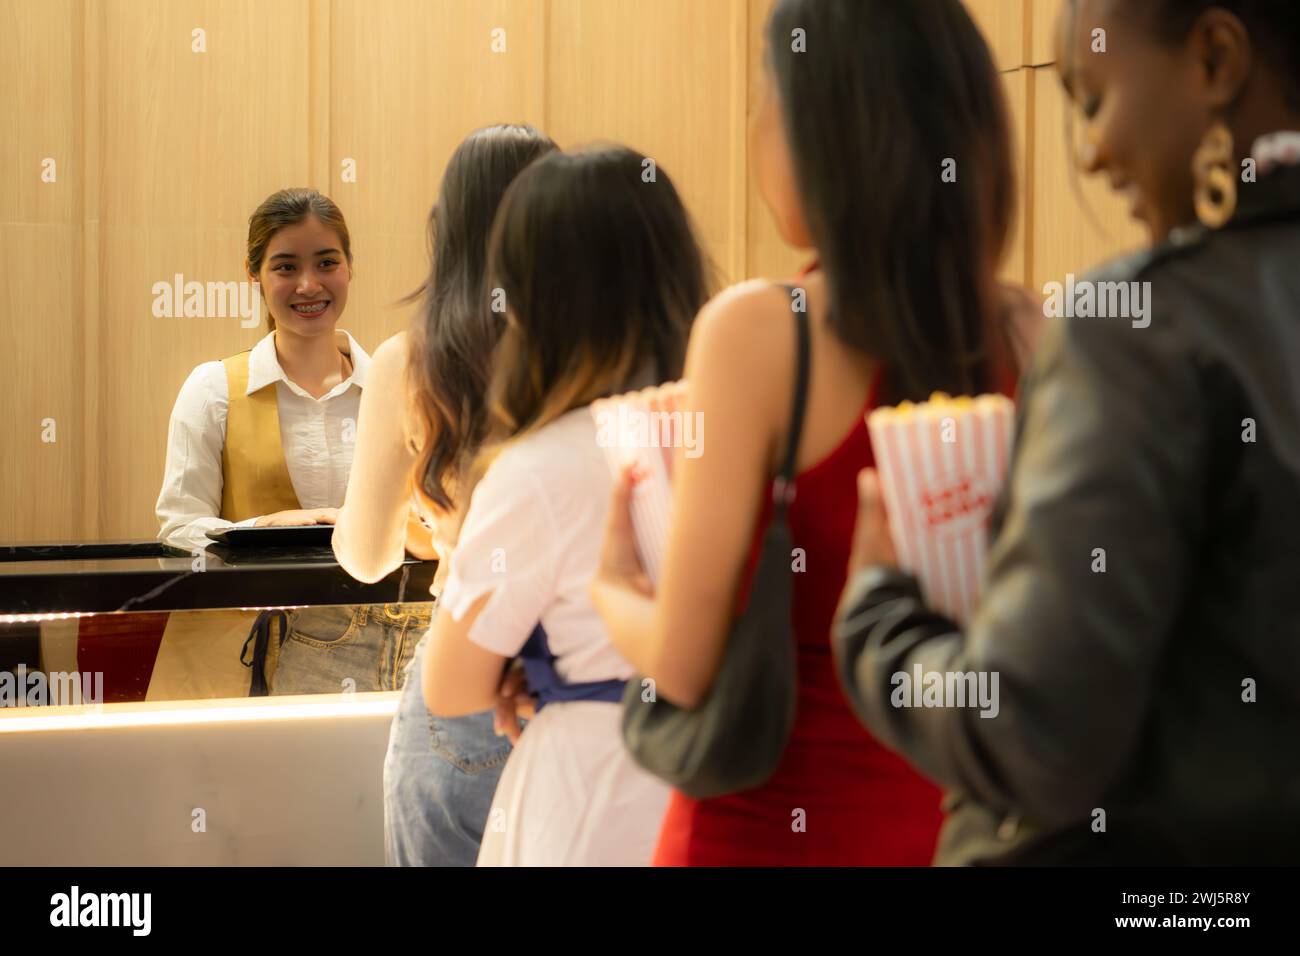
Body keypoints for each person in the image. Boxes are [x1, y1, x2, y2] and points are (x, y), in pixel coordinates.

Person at [834, 0, 1300, 864]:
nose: (1088, 152)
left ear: (1215, 60)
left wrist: (878, 616)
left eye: (1092, 100)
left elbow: (1030, 730)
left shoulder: (1138, 327)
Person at [589, 0, 1034, 866]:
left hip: (762, 836)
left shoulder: (761, 330)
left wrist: (611, 585)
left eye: (768, 101)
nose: (758, 130)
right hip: (949, 835)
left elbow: (685, 667)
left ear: (830, 135)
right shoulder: (1025, 332)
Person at [421, 145, 711, 865]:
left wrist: (520, 669)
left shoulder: (540, 468)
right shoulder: (737, 429)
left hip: (594, 794)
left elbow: (452, 686)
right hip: (726, 787)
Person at [330, 124, 558, 866]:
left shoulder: (409, 360)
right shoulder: (594, 351)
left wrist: (428, 518)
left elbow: (364, 558)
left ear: (446, 228)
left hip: (462, 682)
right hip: (586, 680)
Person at [154, 188, 430, 698]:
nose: (309, 285)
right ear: (254, 275)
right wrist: (262, 528)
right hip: (252, 659)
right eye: (285, 267)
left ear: (350, 267)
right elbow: (178, 530)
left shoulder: (400, 393)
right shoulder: (212, 390)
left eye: (327, 262)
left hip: (390, 652)